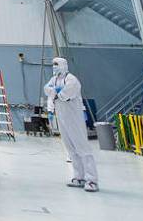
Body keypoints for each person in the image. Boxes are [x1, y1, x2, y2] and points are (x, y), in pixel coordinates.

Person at [45, 57, 98, 192]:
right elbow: (47, 89)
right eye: (53, 65)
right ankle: (78, 176)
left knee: (82, 147)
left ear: (63, 65)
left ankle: (91, 180)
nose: (54, 67)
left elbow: (65, 94)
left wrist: (55, 92)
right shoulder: (54, 79)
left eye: (56, 64)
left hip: (74, 117)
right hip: (62, 117)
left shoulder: (72, 79)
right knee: (70, 148)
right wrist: (55, 92)